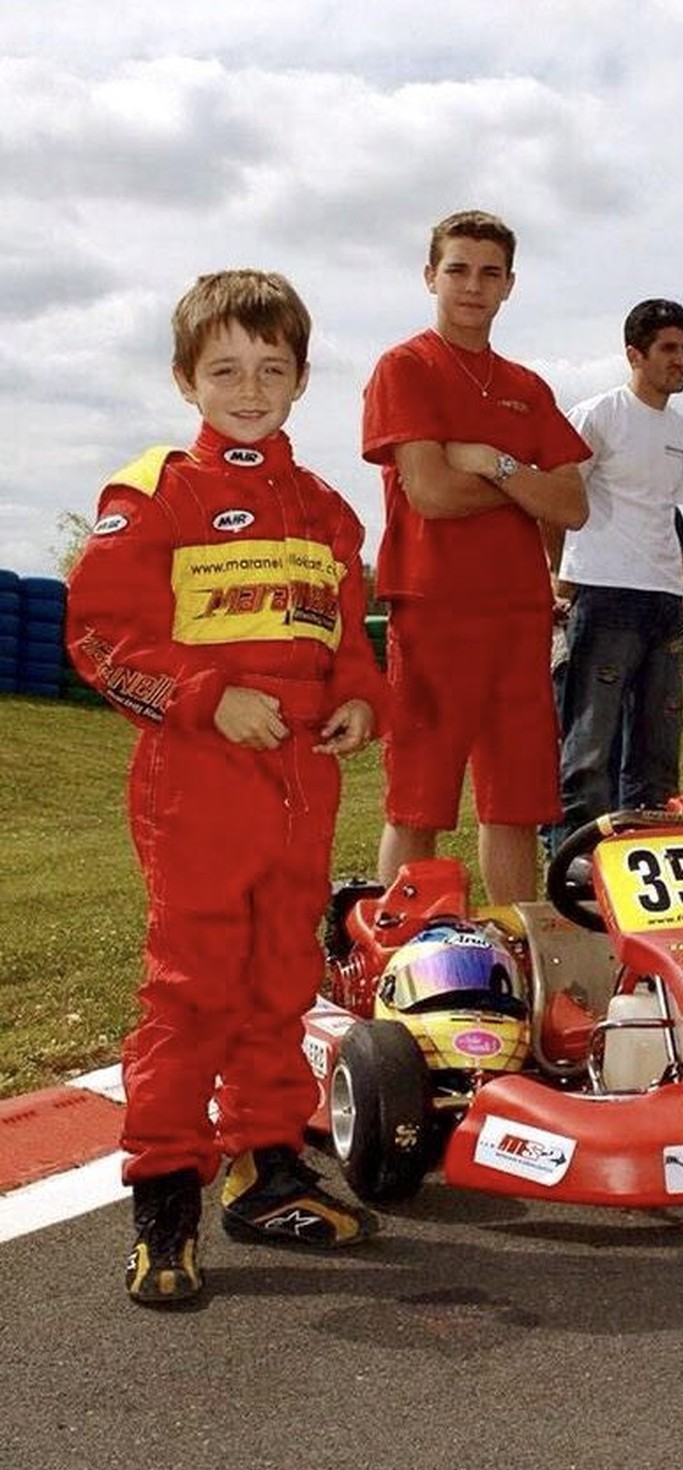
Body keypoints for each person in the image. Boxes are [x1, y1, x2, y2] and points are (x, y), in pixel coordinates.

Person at [66, 269, 391, 1304]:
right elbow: (99, 640)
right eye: (225, 370)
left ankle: (266, 1170)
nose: (250, 389)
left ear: (301, 378)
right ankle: (165, 1198)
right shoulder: (151, 492)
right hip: (198, 777)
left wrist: (361, 701)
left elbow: (346, 642)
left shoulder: (328, 509)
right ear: (185, 380)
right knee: (191, 988)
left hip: (303, 780)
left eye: (271, 369)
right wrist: (208, 700)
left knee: (281, 979)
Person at [362, 210, 590, 903]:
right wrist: (526, 488)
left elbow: (572, 504)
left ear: (510, 285)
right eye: (457, 269)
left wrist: (494, 463)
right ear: (430, 276)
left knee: (515, 802)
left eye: (490, 273)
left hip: (519, 612)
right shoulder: (405, 367)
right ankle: (402, 947)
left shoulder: (526, 386)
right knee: (419, 802)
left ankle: (519, 942)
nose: (472, 285)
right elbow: (430, 492)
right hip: (433, 608)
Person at [551, 298, 683, 839]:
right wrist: (557, 573)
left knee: (660, 739)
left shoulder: (681, 430)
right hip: (604, 592)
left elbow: (665, 507)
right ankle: (578, 856)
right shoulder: (598, 415)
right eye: (668, 348)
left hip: (664, 598)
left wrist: (678, 565)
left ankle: (645, 845)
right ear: (635, 354)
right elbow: (557, 496)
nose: (681, 359)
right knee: (591, 742)